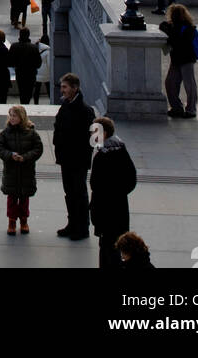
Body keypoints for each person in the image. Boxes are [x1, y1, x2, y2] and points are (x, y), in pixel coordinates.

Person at [89, 115, 138, 269]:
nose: (92, 135)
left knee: (107, 248)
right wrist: (119, 193)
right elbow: (131, 179)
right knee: (117, 246)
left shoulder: (102, 156)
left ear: (103, 134)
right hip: (120, 208)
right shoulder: (121, 150)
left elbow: (95, 186)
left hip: (105, 211)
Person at [53, 72, 93, 240]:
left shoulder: (86, 110)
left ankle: (82, 227)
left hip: (78, 159)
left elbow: (93, 138)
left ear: (74, 88)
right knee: (69, 192)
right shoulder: (66, 106)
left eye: (65, 87)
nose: (62, 90)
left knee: (79, 193)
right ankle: (72, 224)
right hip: (66, 157)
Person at [0, 104, 44, 234]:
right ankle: (12, 221)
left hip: (25, 171)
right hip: (11, 171)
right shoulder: (5, 133)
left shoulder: (31, 134)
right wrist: (10, 156)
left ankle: (23, 221)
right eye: (10, 115)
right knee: (12, 198)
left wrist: (25, 157)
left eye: (14, 116)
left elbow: (38, 149)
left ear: (21, 117)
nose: (12, 118)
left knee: (24, 198)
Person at [159, 3, 198, 118]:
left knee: (189, 85)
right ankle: (177, 107)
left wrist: (171, 34)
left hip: (186, 59)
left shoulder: (188, 28)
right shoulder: (171, 26)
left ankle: (191, 110)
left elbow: (179, 42)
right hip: (177, 59)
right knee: (170, 83)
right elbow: (164, 27)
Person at [8, 28, 42, 105]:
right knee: (28, 92)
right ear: (28, 35)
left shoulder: (14, 46)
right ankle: (25, 105)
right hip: (31, 73)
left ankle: (23, 106)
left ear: (20, 35)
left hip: (19, 73)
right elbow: (38, 63)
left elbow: (9, 62)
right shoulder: (34, 47)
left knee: (22, 92)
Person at [33, 35, 51, 104]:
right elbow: (49, 64)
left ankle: (36, 103)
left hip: (37, 73)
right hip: (46, 74)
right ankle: (51, 102)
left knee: (37, 90)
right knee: (49, 90)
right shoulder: (48, 51)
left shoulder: (36, 47)